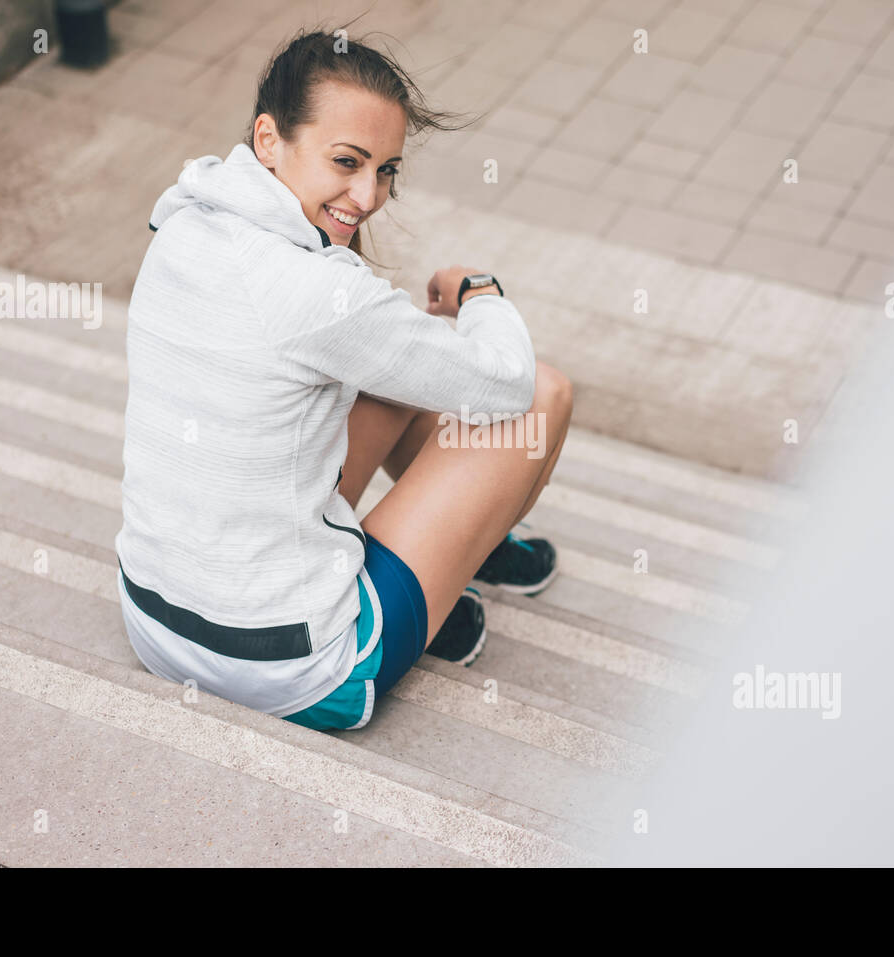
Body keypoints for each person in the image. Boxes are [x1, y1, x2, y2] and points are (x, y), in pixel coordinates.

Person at [114, 25, 574, 732]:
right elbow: (507, 383)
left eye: (387, 169)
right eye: (347, 161)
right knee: (544, 395)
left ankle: (456, 553)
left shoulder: (181, 224)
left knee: (388, 375)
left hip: (152, 625)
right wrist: (482, 292)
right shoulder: (322, 294)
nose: (368, 195)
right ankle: (459, 565)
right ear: (270, 140)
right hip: (299, 670)